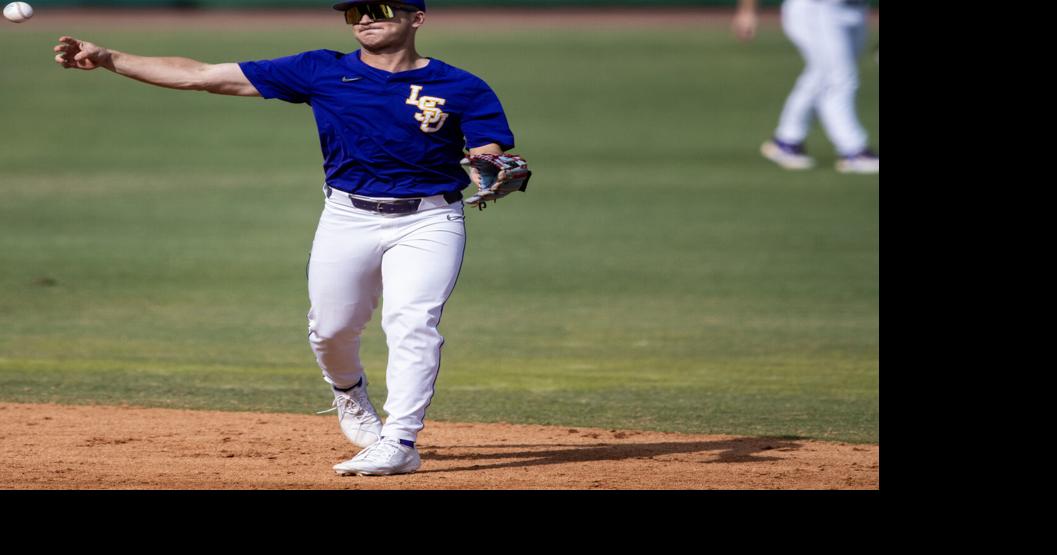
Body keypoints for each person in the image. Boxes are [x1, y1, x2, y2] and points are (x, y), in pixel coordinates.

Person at [53, 0, 523, 476]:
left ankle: (400, 440)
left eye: (378, 8)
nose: (364, 19)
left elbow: (487, 152)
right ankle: (349, 392)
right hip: (348, 216)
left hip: (429, 220)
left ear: (415, 18)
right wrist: (109, 57)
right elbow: (201, 74)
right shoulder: (320, 70)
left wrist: (489, 169)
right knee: (331, 329)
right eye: (354, 13)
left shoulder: (461, 86)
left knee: (412, 323)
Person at [733, 0, 879, 174]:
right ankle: (853, 149)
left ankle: (787, 140)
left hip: (856, 10)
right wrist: (747, 11)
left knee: (821, 75)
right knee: (840, 79)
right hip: (818, 9)